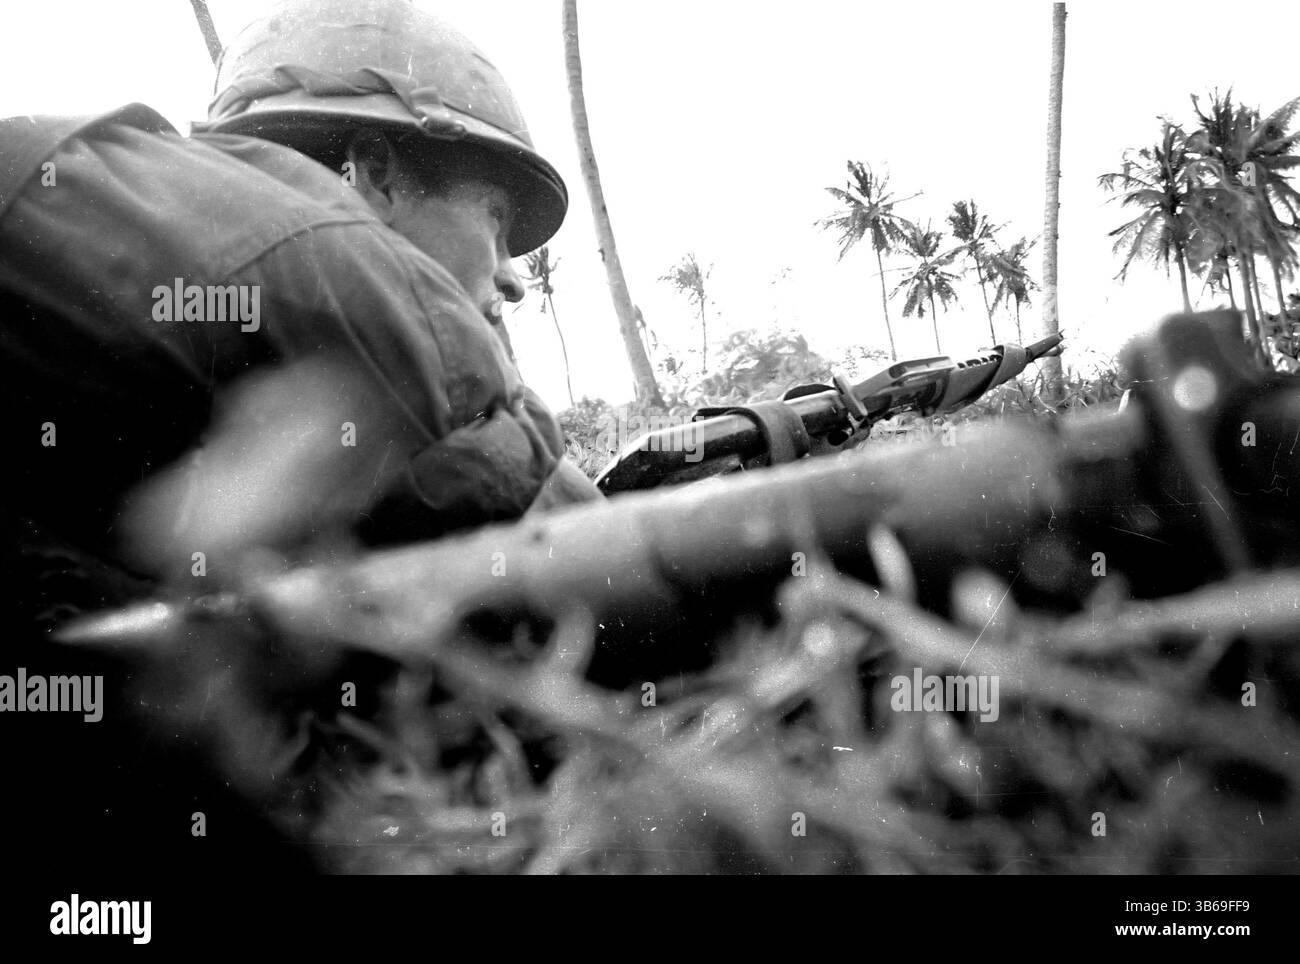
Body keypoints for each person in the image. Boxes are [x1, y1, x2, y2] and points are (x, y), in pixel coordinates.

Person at [0, 0, 597, 877]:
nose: (511, 278)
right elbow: (581, 558)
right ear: (377, 172)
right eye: (497, 222)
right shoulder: (366, 301)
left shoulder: (163, 247)